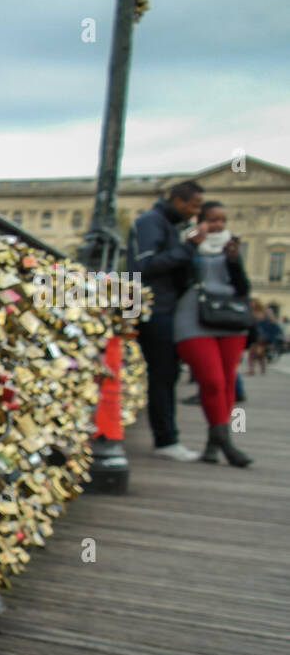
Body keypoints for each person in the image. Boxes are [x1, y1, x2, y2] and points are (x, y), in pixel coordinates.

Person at [129, 180, 205, 461]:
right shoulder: (152, 221)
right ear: (178, 201)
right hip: (149, 306)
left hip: (155, 304)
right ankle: (166, 440)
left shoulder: (165, 224)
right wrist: (189, 247)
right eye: (193, 205)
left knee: (166, 372)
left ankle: (167, 437)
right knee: (163, 372)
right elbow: (146, 265)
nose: (194, 212)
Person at [172, 201, 252, 466]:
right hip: (193, 315)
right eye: (213, 220)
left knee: (227, 381)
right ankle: (226, 443)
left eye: (222, 220)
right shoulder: (186, 244)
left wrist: (233, 261)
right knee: (212, 381)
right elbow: (178, 279)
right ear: (200, 221)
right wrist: (191, 246)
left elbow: (242, 287)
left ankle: (212, 443)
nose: (218, 225)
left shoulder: (230, 247)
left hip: (228, 318)